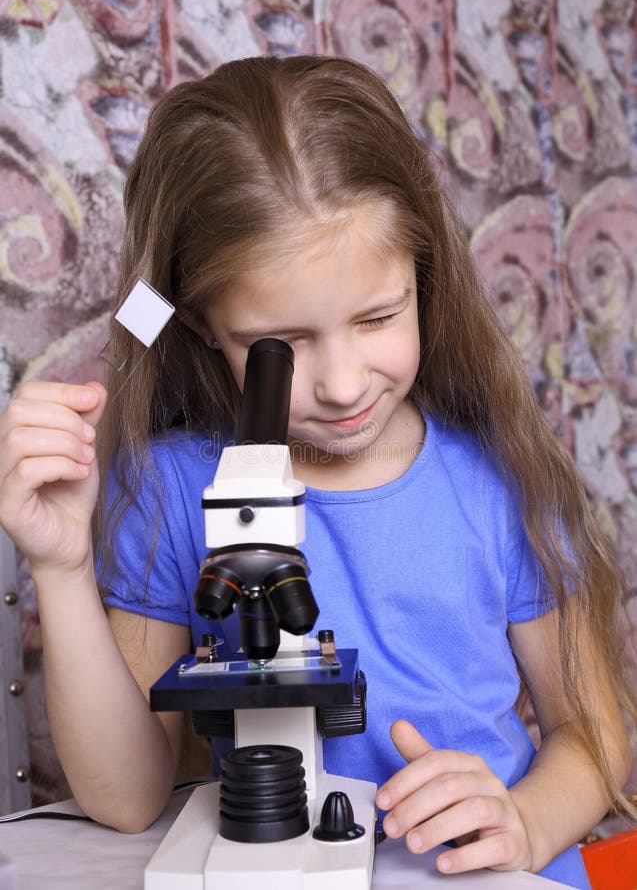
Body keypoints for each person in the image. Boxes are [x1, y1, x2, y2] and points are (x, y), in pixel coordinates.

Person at [0, 55, 634, 888]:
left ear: (423, 276)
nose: (340, 385)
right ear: (197, 325)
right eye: (283, 345)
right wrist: (63, 567)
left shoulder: (497, 475)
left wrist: (522, 819)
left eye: (377, 317)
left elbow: (592, 736)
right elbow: (126, 799)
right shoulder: (170, 488)